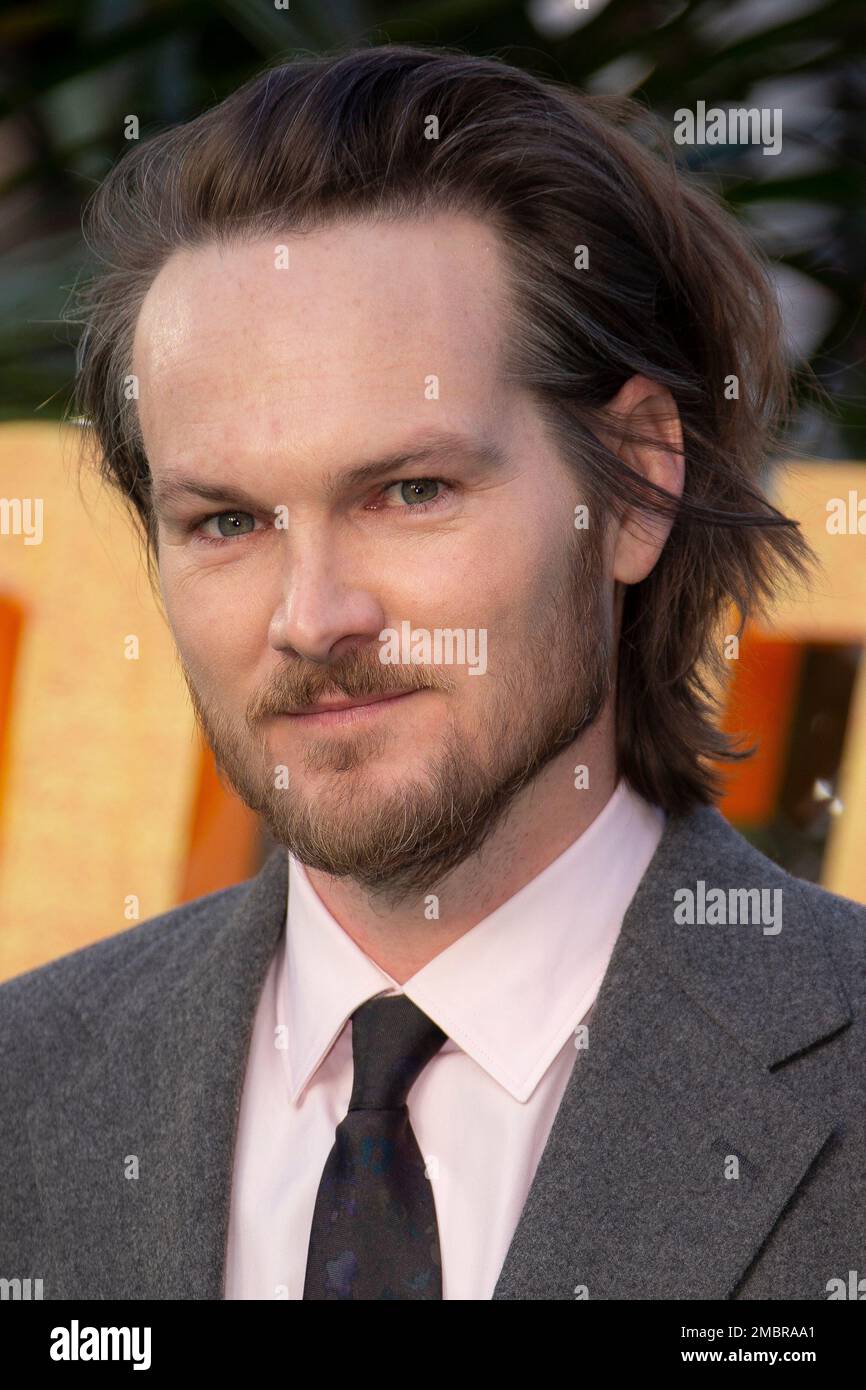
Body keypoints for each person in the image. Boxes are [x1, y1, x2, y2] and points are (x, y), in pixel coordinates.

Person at [2, 43, 864, 1302]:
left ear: (634, 485)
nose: (314, 616)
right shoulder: (28, 1095)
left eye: (410, 491)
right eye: (227, 522)